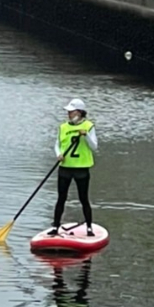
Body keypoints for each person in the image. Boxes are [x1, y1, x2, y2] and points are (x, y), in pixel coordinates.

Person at [49, 97, 98, 237]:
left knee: (83, 199)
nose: (68, 114)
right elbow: (57, 144)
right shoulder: (63, 127)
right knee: (61, 198)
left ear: (79, 112)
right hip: (65, 168)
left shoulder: (88, 126)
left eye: (71, 111)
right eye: (68, 112)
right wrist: (58, 154)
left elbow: (94, 147)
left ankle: (89, 227)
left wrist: (86, 135)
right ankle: (55, 227)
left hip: (81, 169)